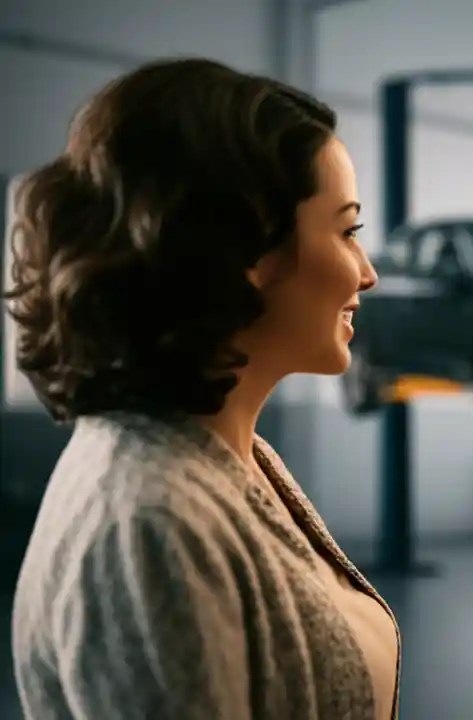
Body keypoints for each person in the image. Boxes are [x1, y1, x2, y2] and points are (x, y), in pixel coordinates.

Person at [6, 58, 399, 719]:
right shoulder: (151, 522)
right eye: (347, 231)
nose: (367, 273)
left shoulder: (230, 455)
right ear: (248, 249)